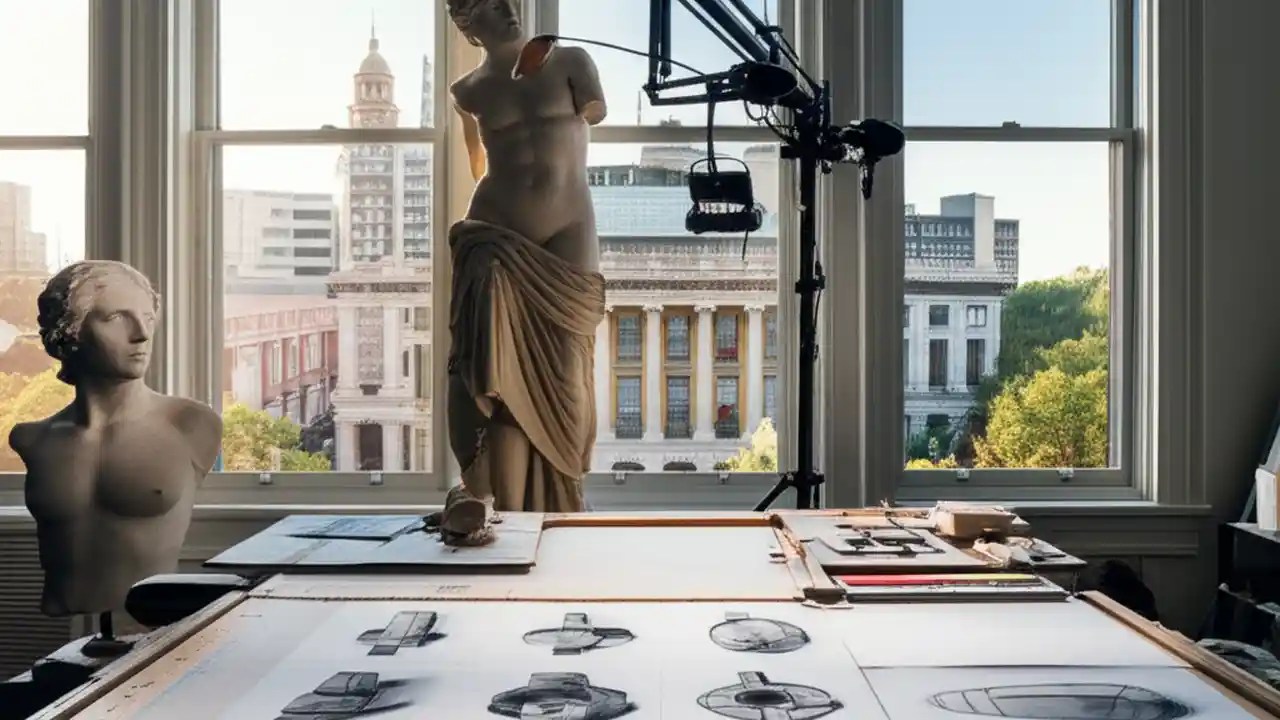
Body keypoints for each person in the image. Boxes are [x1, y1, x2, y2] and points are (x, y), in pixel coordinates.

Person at [445, 0, 608, 512]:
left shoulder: (571, 62)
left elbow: (595, 111)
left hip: (569, 227)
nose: (510, 9)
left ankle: (562, 506)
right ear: (466, 25)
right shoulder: (466, 93)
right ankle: (511, 518)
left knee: (568, 375)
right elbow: (479, 164)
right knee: (501, 381)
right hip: (497, 232)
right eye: (490, 5)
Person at [9, 261, 222, 623]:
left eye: (148, 318)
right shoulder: (33, 438)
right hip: (67, 620)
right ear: (71, 331)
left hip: (150, 623)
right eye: (116, 318)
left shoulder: (191, 425)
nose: (141, 334)